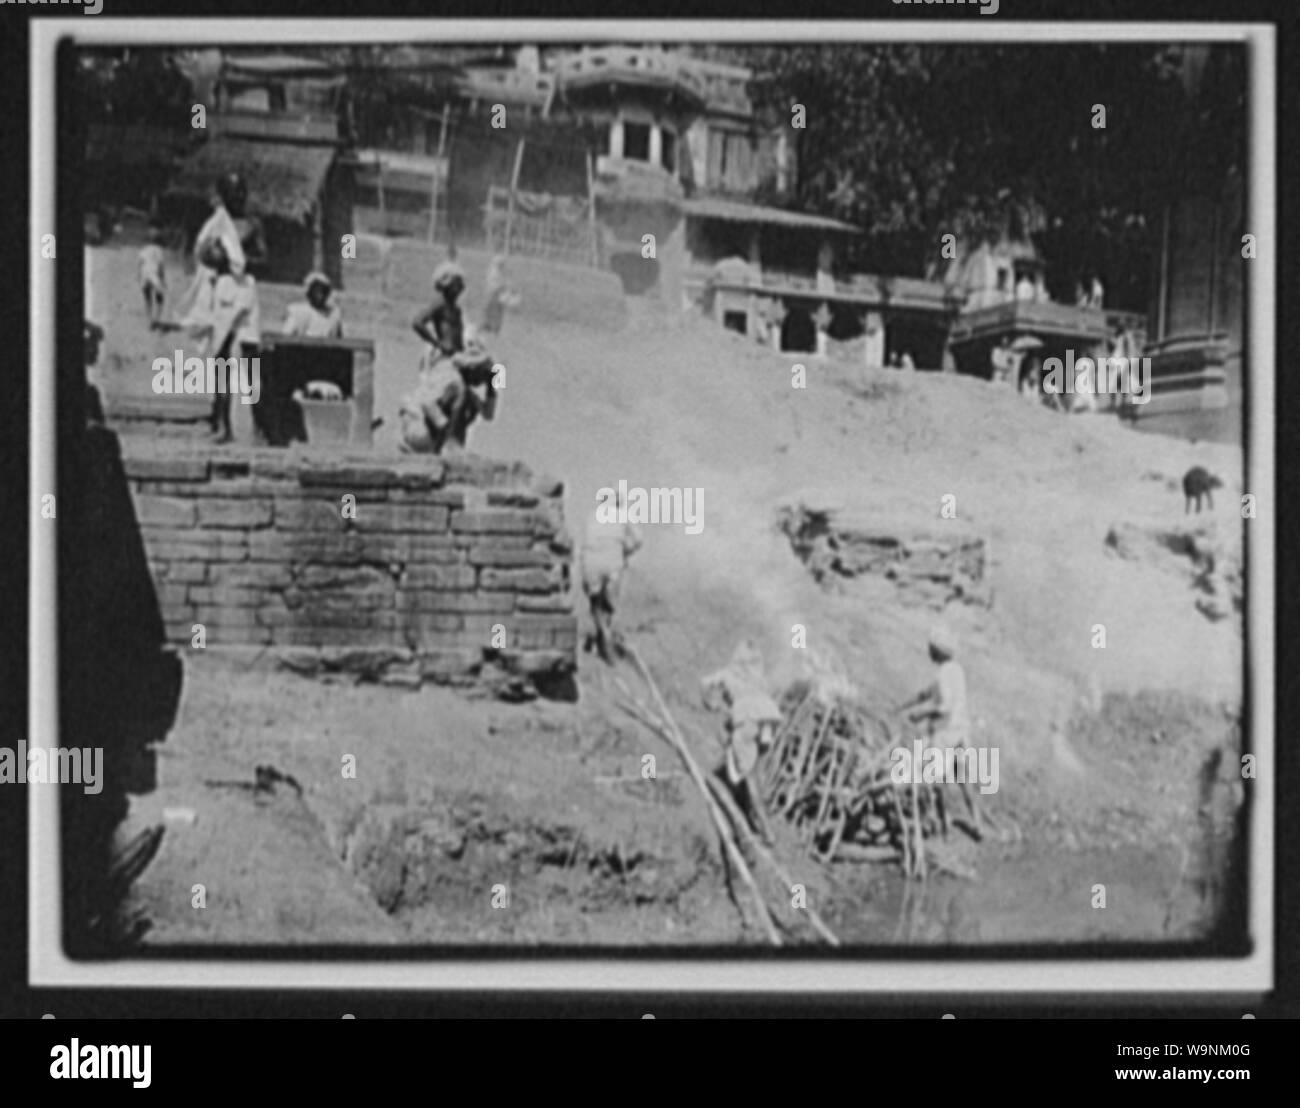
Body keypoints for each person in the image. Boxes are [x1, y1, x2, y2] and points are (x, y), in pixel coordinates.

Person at [898, 624, 982, 837]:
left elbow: (944, 707)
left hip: (946, 733)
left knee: (939, 780)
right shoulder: (956, 670)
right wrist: (907, 704)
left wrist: (922, 714)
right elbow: (927, 693)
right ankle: (977, 822)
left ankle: (942, 822)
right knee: (963, 780)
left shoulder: (943, 674)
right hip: (962, 731)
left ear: (936, 652)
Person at [702, 640, 783, 845]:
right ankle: (717, 782)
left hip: (747, 724)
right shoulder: (757, 678)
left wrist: (710, 704)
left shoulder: (730, 674)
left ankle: (767, 832)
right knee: (748, 768)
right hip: (767, 724)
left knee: (749, 776)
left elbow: (705, 683)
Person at [192, 238, 260, 444]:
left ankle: (253, 430)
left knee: (250, 385)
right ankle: (222, 426)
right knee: (222, 384)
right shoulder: (220, 283)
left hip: (243, 337)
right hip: (226, 336)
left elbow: (237, 312)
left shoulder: (247, 282)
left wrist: (223, 338)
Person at [580, 490, 642, 664]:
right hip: (612, 566)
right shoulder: (622, 516)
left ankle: (598, 633)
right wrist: (626, 551)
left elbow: (586, 541)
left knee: (595, 602)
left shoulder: (591, 517)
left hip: (589, 566)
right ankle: (609, 639)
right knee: (612, 599)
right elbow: (638, 540)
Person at [413, 261, 467, 358]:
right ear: (447, 284)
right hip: (446, 356)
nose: (462, 287)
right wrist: (437, 344)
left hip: (457, 355)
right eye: (457, 284)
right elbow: (417, 322)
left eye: (461, 284)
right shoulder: (440, 304)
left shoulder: (456, 309)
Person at [282, 271, 343, 339]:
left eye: (323, 291)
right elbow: (286, 338)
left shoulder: (333, 314)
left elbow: (339, 342)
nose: (320, 296)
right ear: (310, 292)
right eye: (316, 291)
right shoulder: (297, 312)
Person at [478, 254, 521, 339]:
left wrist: (508, 289)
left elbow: (502, 284)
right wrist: (506, 288)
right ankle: (487, 328)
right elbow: (495, 285)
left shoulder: (497, 272)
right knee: (491, 313)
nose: (503, 266)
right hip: (493, 296)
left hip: (496, 296)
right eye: (501, 264)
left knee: (495, 313)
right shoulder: (494, 273)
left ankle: (493, 330)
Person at [138, 226, 166, 330]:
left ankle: (149, 321)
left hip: (145, 274)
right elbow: (161, 266)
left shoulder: (144, 250)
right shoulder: (159, 250)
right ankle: (157, 320)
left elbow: (140, 264)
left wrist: (139, 276)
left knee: (147, 299)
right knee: (160, 298)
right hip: (155, 275)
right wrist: (162, 279)